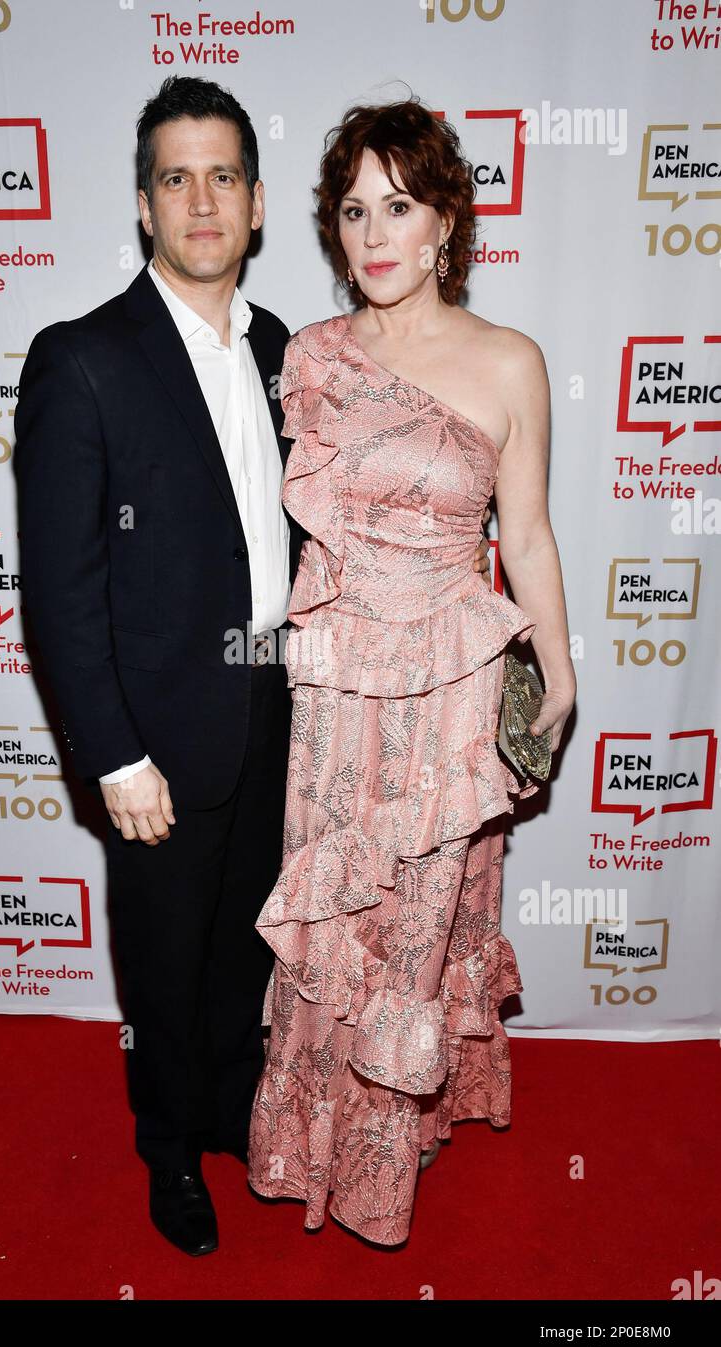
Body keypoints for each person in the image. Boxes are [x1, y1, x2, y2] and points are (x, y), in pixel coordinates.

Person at [14, 76, 493, 1257]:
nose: (201, 197)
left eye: (222, 173)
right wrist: (114, 756)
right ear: (143, 206)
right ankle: (167, 1145)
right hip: (160, 744)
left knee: (248, 947)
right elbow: (60, 591)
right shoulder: (80, 360)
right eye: (175, 176)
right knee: (165, 960)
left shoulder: (294, 348)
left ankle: (234, 1107)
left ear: (260, 200)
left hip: (291, 722)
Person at [246, 97, 576, 1246]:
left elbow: (524, 536)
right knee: (342, 923)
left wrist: (562, 672)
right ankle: (314, 1140)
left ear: (444, 221)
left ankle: (395, 1146)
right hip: (338, 694)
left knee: (426, 922)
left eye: (398, 206)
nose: (373, 234)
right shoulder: (313, 360)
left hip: (450, 693)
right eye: (351, 210)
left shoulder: (507, 361)